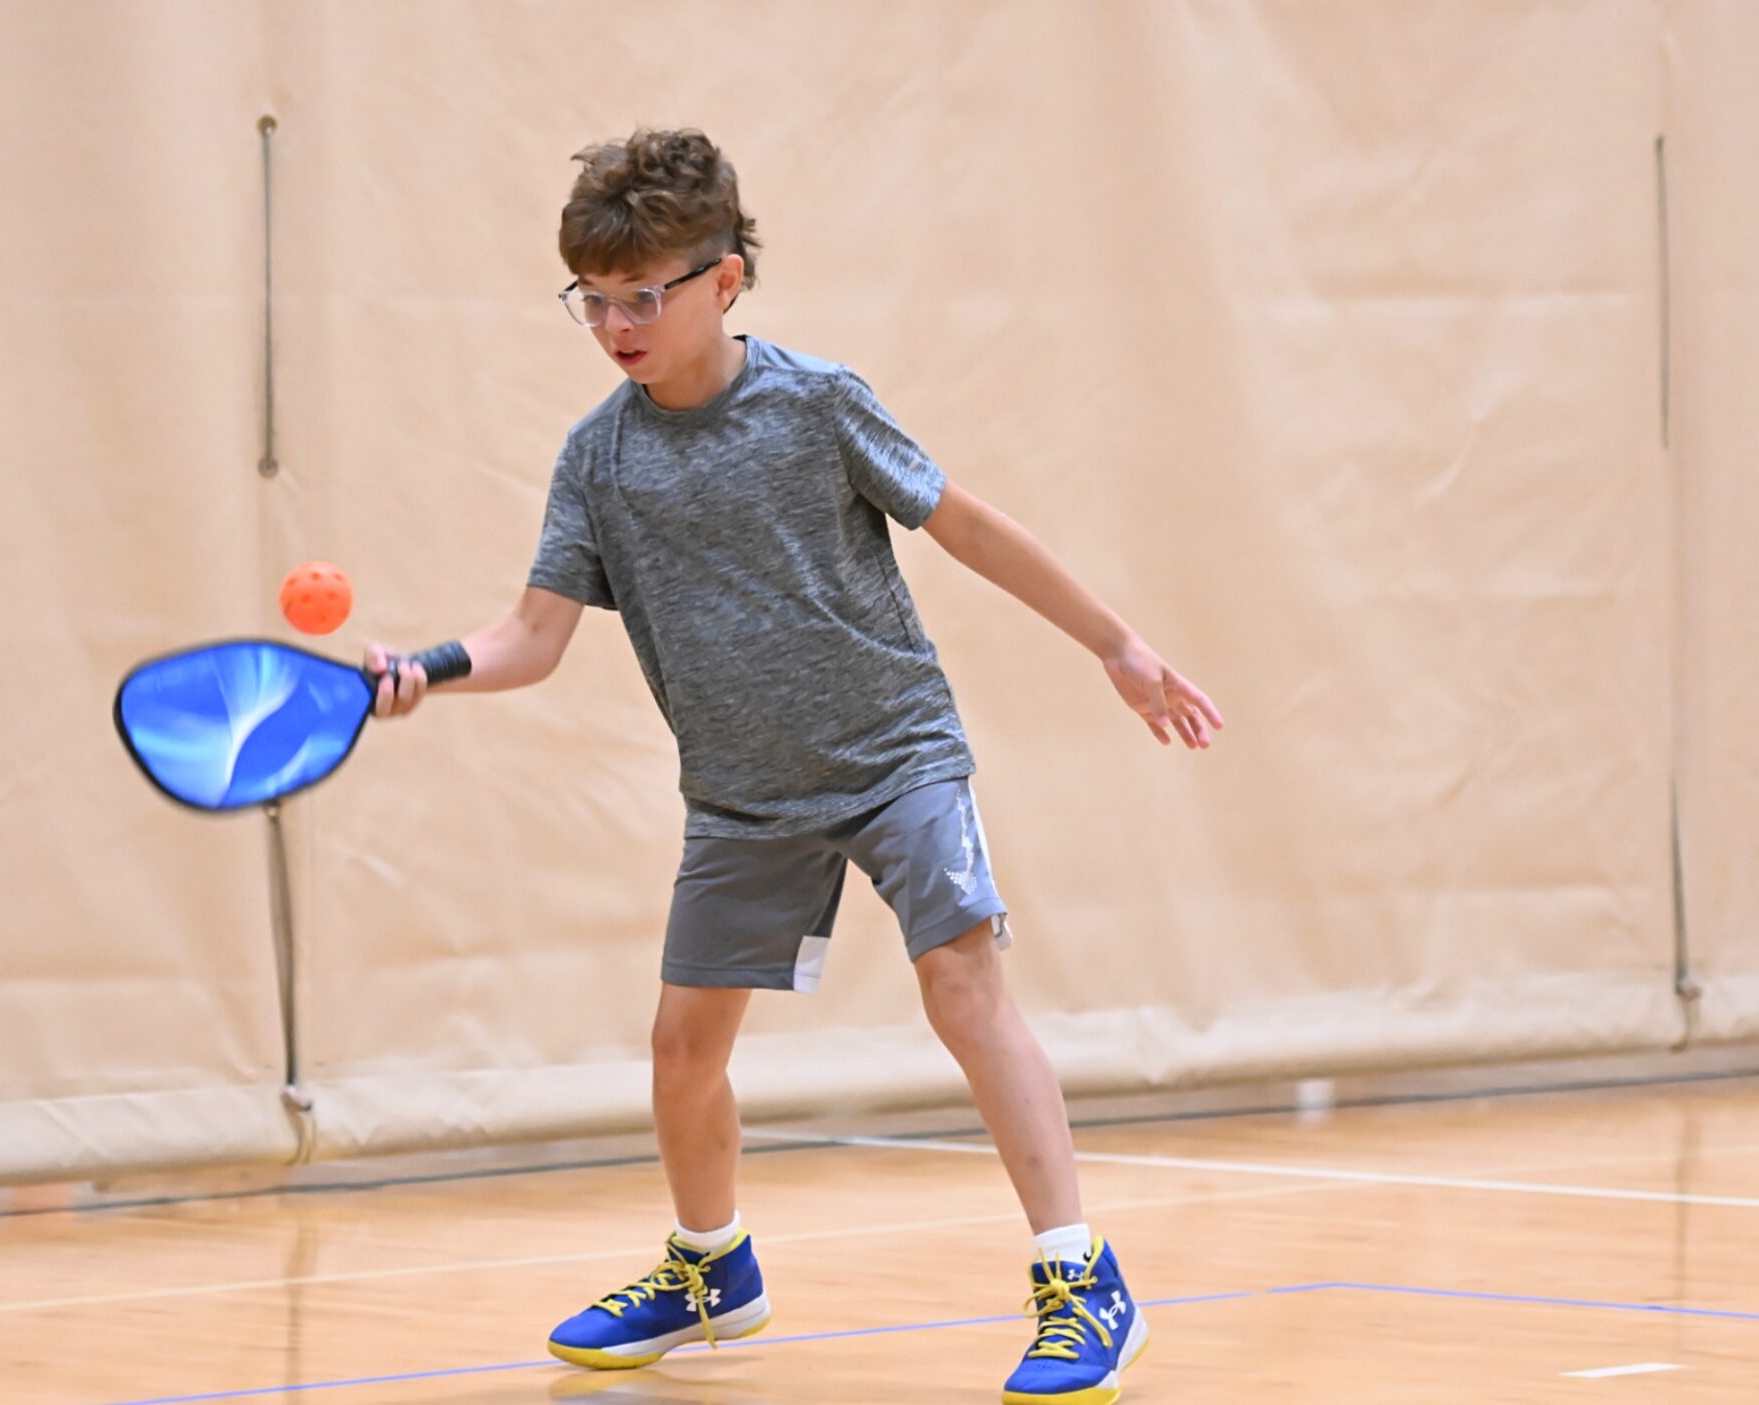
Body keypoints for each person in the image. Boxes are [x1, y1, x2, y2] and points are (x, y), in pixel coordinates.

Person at [368, 127, 1222, 1405]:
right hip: (742, 790)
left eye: (642, 295)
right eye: (593, 301)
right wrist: (430, 669)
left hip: (892, 752)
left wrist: (1119, 644)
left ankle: (1079, 1274)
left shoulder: (816, 404)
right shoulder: (599, 459)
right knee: (680, 1048)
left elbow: (969, 524)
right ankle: (715, 1270)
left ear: (725, 281)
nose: (615, 324)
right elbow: (533, 636)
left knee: (961, 982)